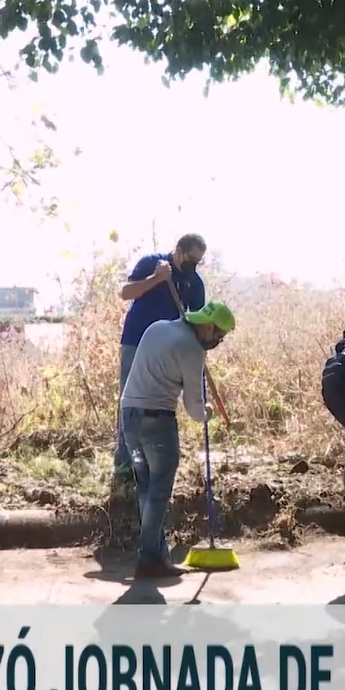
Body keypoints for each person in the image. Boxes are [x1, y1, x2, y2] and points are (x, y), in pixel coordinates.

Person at [120, 301, 235, 580]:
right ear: (207, 326)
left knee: (146, 488)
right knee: (158, 492)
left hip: (130, 418)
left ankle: (156, 555)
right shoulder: (192, 349)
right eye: (218, 336)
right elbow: (195, 410)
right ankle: (149, 561)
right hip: (157, 422)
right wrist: (207, 412)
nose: (217, 342)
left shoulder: (157, 328)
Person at [113, 233, 208, 482]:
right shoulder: (151, 264)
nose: (193, 265)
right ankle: (125, 464)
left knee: (159, 406)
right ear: (178, 250)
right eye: (190, 259)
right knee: (130, 402)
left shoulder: (195, 284)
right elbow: (126, 292)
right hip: (136, 342)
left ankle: (150, 462)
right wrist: (156, 279)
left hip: (168, 352)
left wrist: (200, 348)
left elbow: (197, 322)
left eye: (198, 261)